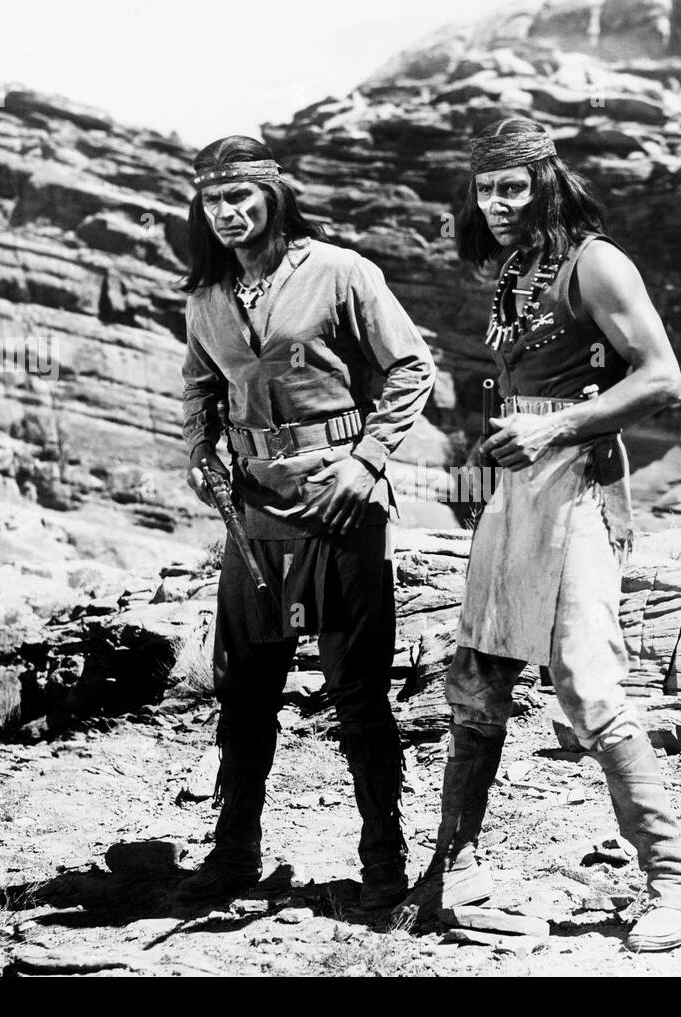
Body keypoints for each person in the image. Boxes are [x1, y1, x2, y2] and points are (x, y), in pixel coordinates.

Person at [400, 117, 681, 951]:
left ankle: (674, 882)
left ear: (546, 182)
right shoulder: (509, 272)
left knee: (587, 683)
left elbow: (663, 377)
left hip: (577, 484)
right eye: (485, 188)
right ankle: (451, 875)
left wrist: (554, 427)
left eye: (513, 186)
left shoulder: (594, 263)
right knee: (477, 676)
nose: (497, 204)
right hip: (515, 491)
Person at [177, 136, 435, 908]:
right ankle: (234, 853)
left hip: (340, 499)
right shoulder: (205, 299)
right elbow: (200, 389)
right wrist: (199, 453)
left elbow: (411, 367)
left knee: (357, 689)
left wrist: (368, 461)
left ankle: (384, 860)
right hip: (254, 511)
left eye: (241, 197)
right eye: (213, 201)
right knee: (246, 687)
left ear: (273, 197)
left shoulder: (341, 272)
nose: (227, 213)